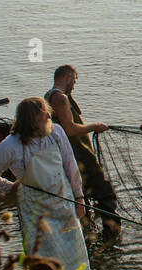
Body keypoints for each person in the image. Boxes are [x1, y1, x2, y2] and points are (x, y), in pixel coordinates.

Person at [0, 97, 91, 270]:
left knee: (74, 265)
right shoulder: (10, 146)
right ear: (31, 119)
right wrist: (9, 187)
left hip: (64, 205)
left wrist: (79, 199)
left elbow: (71, 167)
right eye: (43, 113)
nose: (49, 115)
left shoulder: (56, 132)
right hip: (35, 212)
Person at [44, 65, 121, 234]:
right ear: (69, 77)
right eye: (75, 80)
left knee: (80, 194)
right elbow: (70, 129)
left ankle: (86, 233)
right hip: (78, 155)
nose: (75, 84)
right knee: (104, 192)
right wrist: (95, 126)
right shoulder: (60, 98)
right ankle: (111, 234)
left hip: (68, 156)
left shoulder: (48, 96)